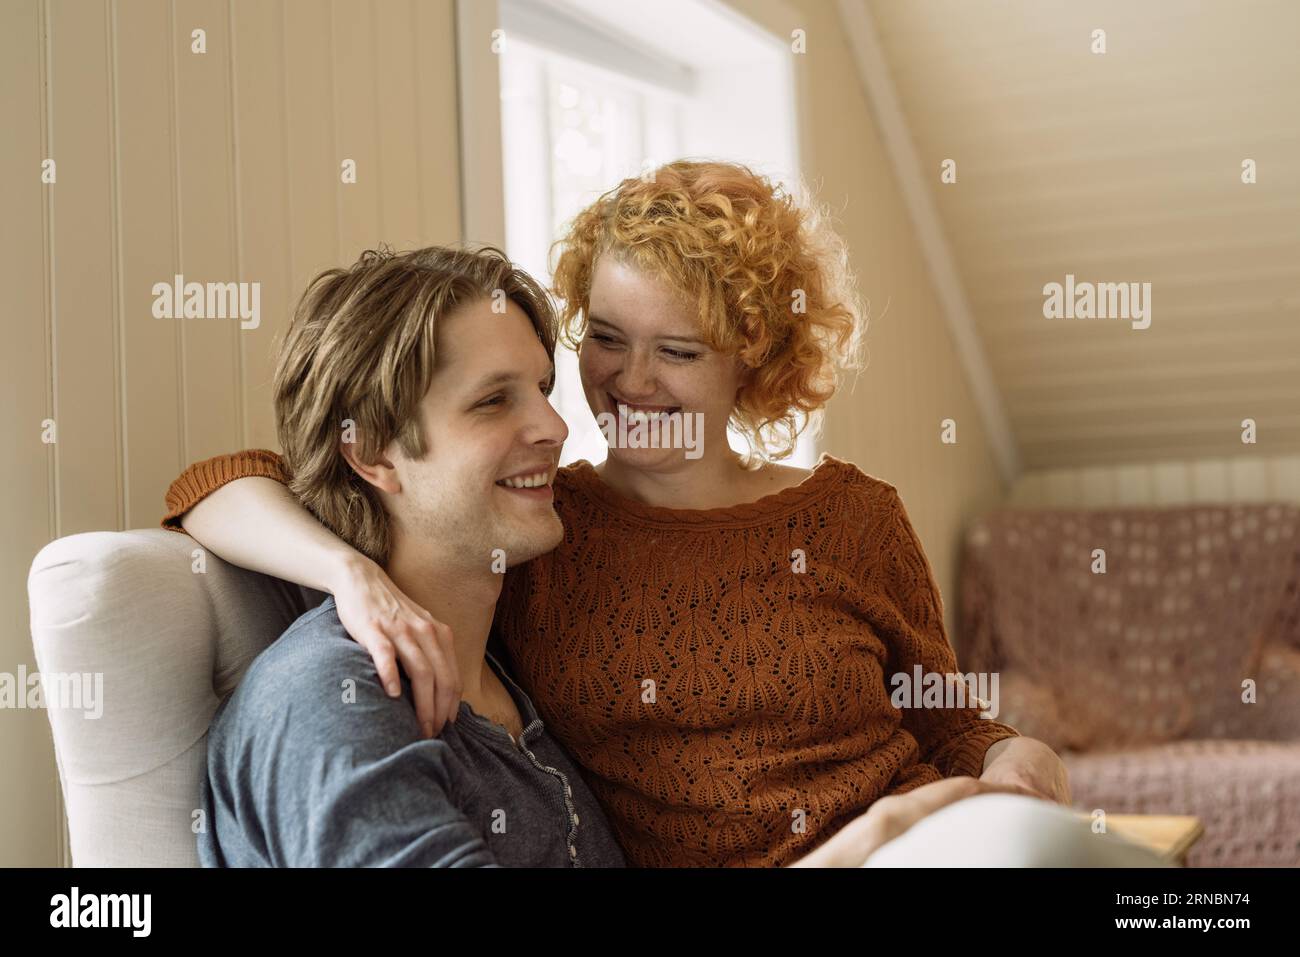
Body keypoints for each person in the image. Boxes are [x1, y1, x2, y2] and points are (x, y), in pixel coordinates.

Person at [169, 162, 1096, 867]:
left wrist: (1014, 754)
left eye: (679, 351)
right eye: (605, 339)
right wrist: (348, 571)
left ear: (753, 356)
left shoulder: (856, 517)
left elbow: (943, 720)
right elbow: (226, 481)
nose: (628, 383)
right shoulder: (538, 525)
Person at [195, 245, 627, 867]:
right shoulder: (331, 698)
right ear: (372, 453)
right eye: (493, 401)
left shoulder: (515, 652)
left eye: (540, 388)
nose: (555, 427)